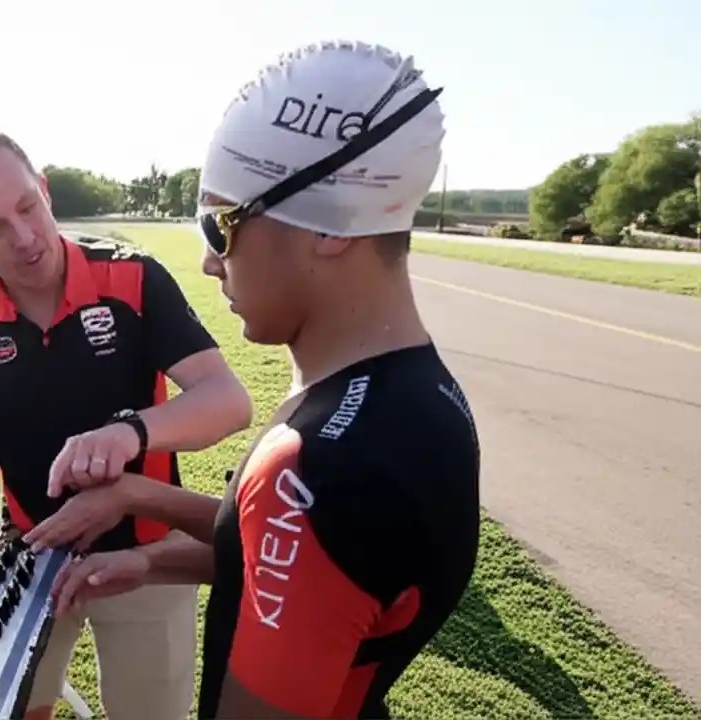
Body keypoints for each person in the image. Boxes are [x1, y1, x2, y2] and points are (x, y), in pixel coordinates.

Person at [24, 40, 482, 719]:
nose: (211, 262)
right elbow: (295, 568)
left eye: (222, 224)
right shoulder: (413, 394)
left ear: (329, 228)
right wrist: (146, 538)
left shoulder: (318, 464)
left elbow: (298, 535)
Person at [0, 129, 253, 720]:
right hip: (32, 553)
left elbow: (228, 401)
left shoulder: (134, 279)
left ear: (46, 191)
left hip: (151, 558)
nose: (25, 238)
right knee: (12, 708)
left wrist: (129, 431)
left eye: (27, 207)